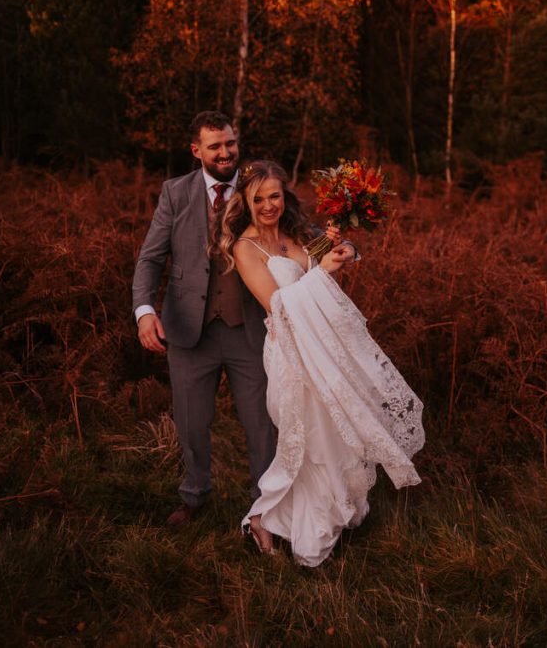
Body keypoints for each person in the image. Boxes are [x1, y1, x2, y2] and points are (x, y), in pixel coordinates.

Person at [219, 160, 425, 566]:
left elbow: (323, 262)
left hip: (326, 347)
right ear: (244, 201)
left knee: (334, 435)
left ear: (285, 194)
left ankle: (304, 517)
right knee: (309, 440)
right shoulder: (246, 248)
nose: (267, 205)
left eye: (275, 195)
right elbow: (277, 304)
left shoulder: (296, 234)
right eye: (258, 198)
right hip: (292, 355)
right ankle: (270, 521)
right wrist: (323, 271)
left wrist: (342, 251)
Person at [131, 111, 279, 527]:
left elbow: (297, 232)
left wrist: (341, 244)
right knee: (192, 423)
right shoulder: (175, 193)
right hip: (186, 331)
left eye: (230, 143)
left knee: (261, 425)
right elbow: (151, 257)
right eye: (214, 146)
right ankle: (194, 495)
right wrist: (145, 312)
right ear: (196, 151)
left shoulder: (257, 189)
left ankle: (264, 508)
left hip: (248, 329)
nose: (225, 152)